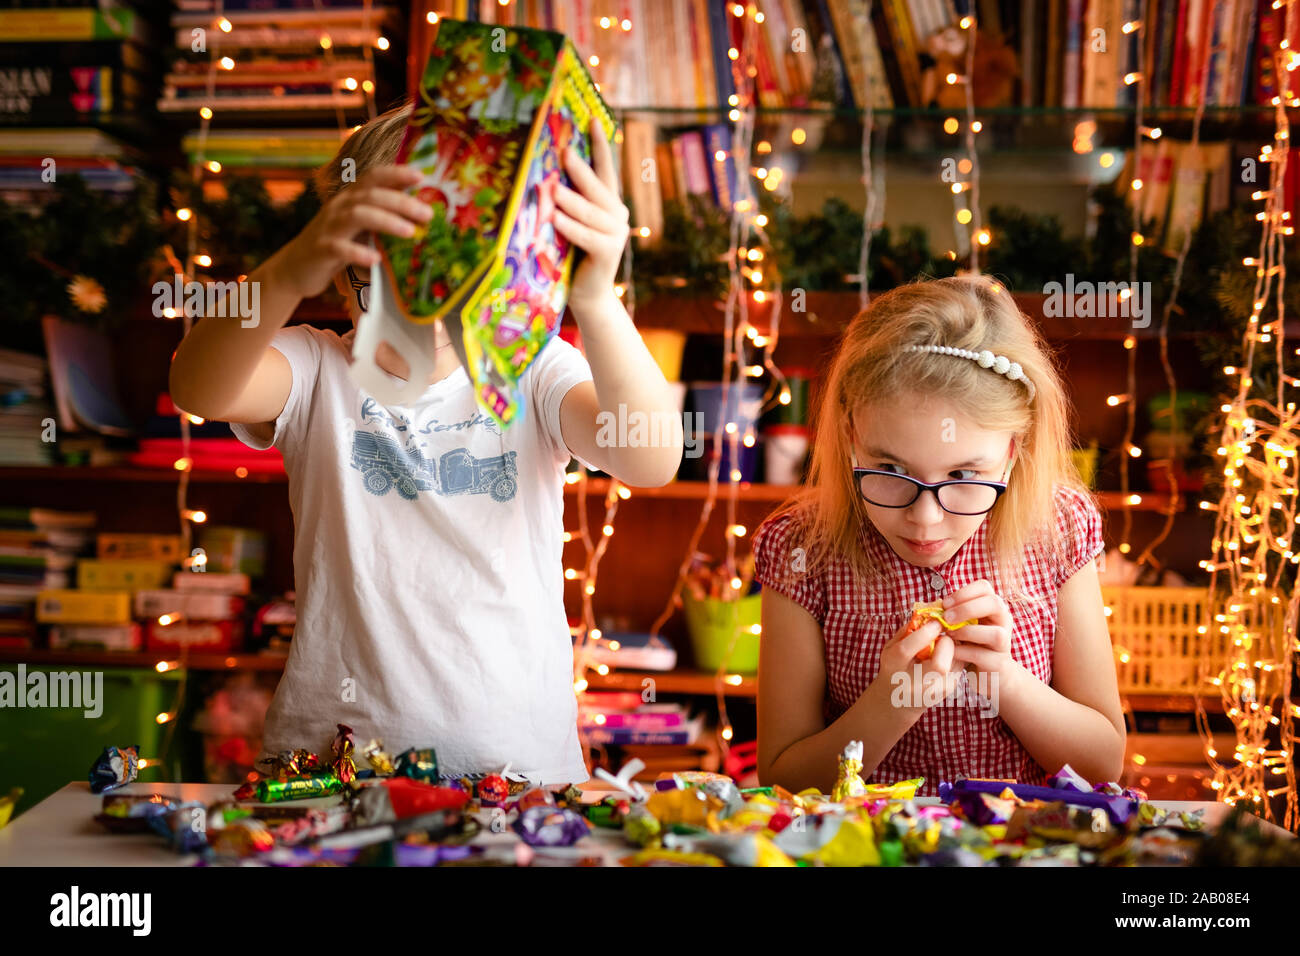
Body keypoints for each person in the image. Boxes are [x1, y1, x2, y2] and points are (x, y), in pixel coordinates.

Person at [168, 104, 682, 782]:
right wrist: (292, 269)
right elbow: (198, 387)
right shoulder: (317, 368)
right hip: (326, 766)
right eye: (384, 263)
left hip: (516, 769)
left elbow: (650, 457)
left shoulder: (531, 369)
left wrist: (595, 299)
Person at [753, 276, 1124, 796]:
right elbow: (784, 779)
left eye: (964, 477)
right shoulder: (803, 547)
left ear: (1012, 452)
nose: (925, 520)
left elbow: (1103, 764)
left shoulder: (1056, 528)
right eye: (890, 468)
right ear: (850, 437)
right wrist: (892, 701)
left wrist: (1005, 680)